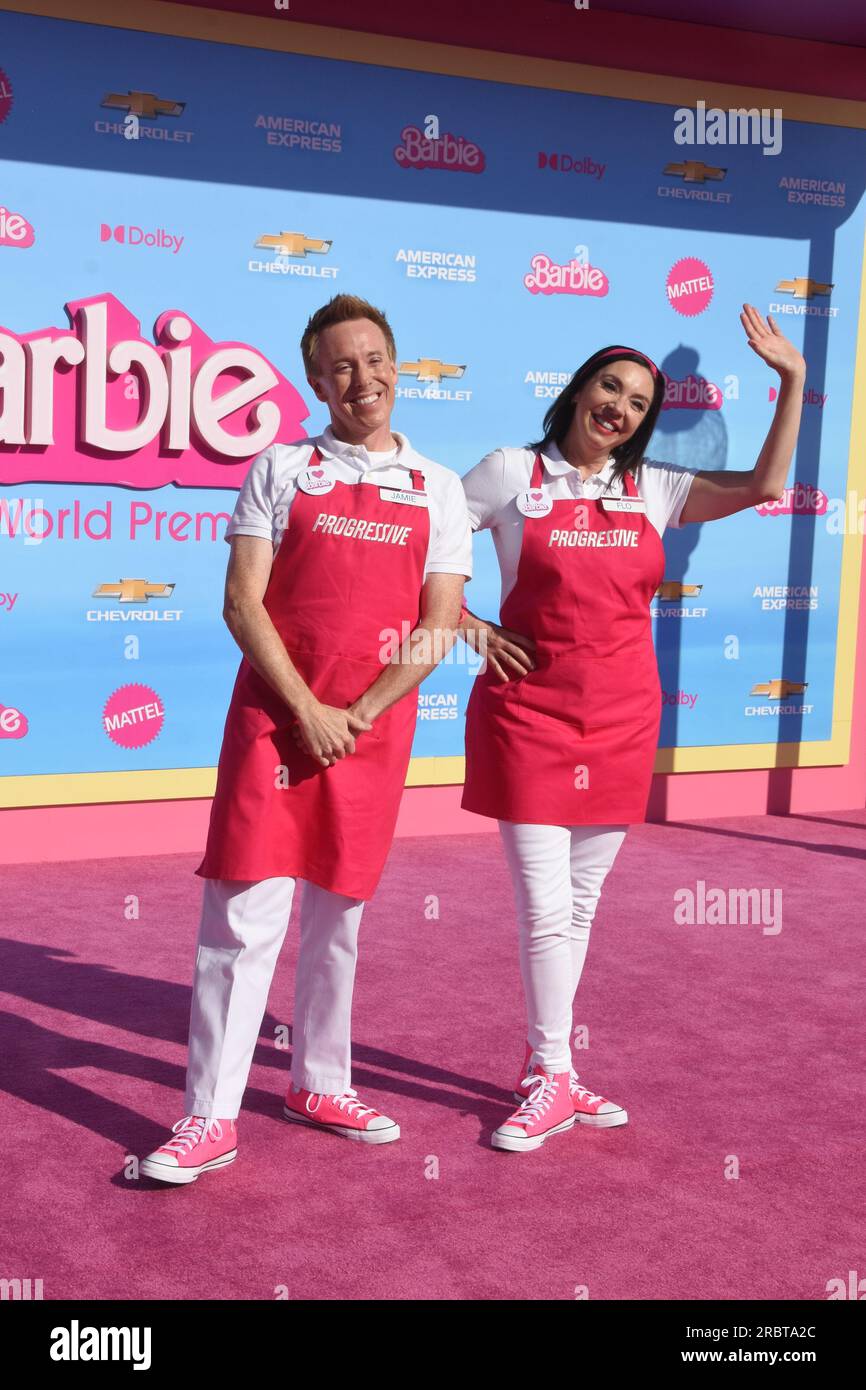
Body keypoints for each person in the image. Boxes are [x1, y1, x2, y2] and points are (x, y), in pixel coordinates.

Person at [457, 305, 806, 1153]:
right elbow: (417, 552)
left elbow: (764, 487)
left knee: (579, 907)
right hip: (530, 719)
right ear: (577, 392)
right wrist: (465, 631)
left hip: (621, 720)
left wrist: (792, 380)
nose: (619, 407)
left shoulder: (653, 488)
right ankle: (552, 1073)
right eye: (609, 387)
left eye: (639, 403)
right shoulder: (510, 472)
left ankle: (553, 1075)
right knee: (544, 909)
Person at [140, 294, 472, 1183]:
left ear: (397, 365)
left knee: (338, 920)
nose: (361, 379)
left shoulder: (438, 487)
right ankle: (207, 1118)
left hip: (372, 731)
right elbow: (242, 602)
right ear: (317, 381)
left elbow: (439, 625)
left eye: (373, 360)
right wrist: (307, 710)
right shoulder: (280, 466)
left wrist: (359, 714)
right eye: (339, 366)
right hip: (274, 723)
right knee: (241, 923)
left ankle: (319, 1083)